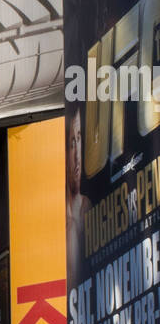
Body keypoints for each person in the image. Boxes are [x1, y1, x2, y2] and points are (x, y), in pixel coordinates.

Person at [66, 105, 91, 281]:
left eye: (79, 138)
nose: (77, 155)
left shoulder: (88, 207)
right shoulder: (60, 223)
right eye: (72, 144)